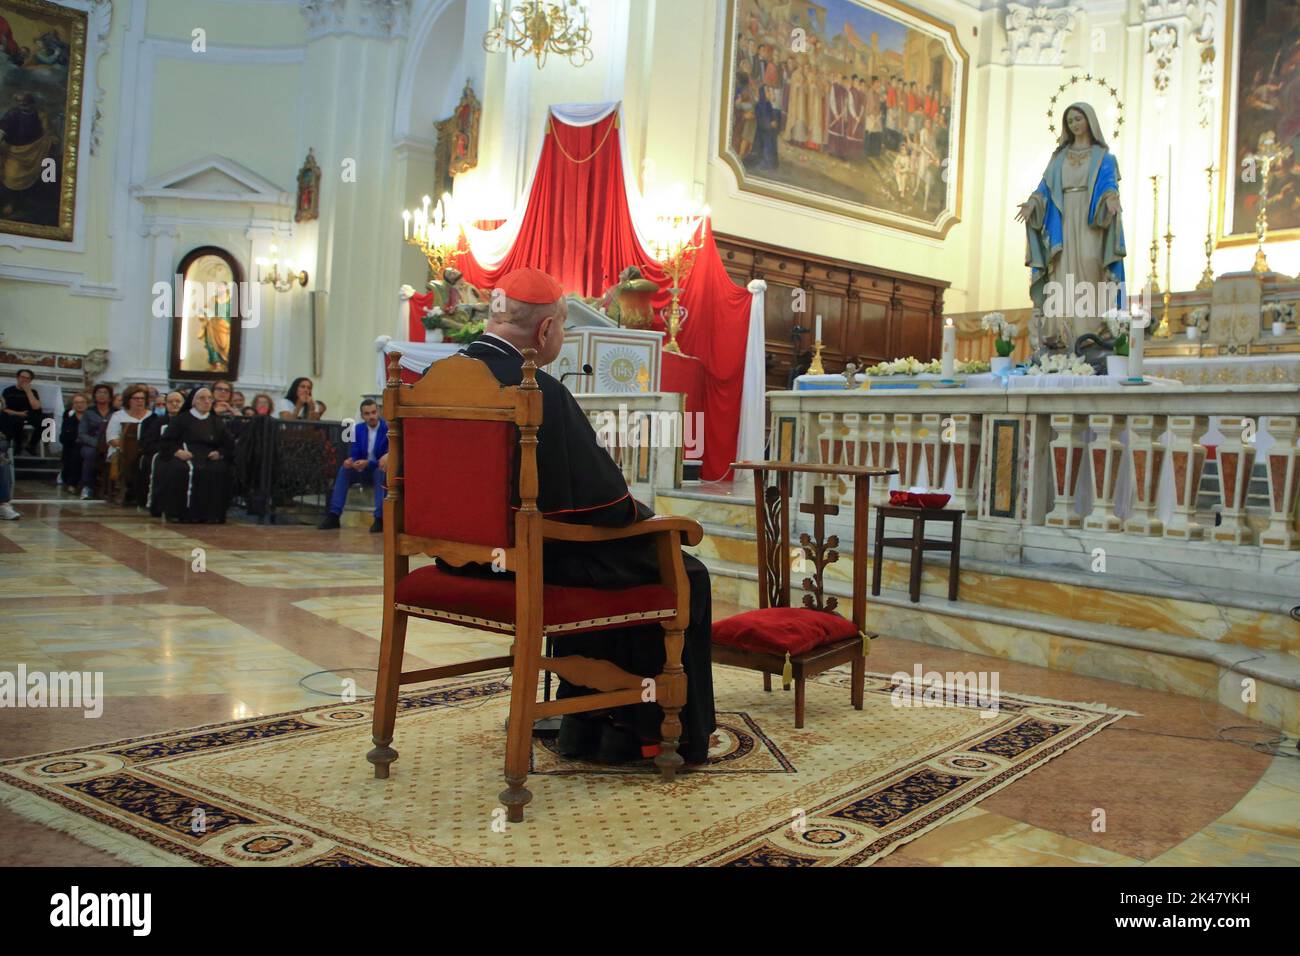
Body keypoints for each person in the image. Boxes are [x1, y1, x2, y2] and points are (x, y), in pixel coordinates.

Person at [450, 267, 716, 765]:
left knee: (611, 556)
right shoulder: (538, 391)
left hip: (459, 561)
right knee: (677, 569)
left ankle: (585, 722)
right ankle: (645, 730)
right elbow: (607, 506)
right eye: (564, 327)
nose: (562, 336)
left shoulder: (431, 381)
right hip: (527, 563)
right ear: (547, 331)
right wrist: (645, 516)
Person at [1017, 101, 1126, 345]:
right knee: (1062, 272)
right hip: (1062, 222)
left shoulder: (1104, 157)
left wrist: (1111, 199)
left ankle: (1092, 332)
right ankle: (1062, 332)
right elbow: (1045, 187)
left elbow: (1109, 183)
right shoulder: (1059, 157)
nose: (1075, 124)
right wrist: (1033, 203)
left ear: (1089, 120)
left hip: (1090, 220)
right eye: (1070, 121)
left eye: (1078, 119)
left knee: (1090, 265)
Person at [155, 387, 235, 523]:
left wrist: (220, 453)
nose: (207, 401)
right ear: (193, 401)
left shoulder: (216, 422)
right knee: (180, 469)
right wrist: (178, 452)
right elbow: (166, 442)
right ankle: (181, 513)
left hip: (209, 457)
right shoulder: (181, 419)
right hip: (186, 455)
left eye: (210, 398)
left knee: (220, 469)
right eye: (202, 398)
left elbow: (228, 444)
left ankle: (212, 515)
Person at [318, 399, 387, 533]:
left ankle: (379, 518)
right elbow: (354, 451)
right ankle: (334, 515)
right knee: (345, 469)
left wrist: (369, 463)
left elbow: (386, 456)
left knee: (380, 472)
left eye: (373, 412)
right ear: (362, 416)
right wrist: (351, 461)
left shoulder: (387, 429)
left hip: (377, 468)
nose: (371, 416)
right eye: (367, 414)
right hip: (361, 468)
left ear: (378, 412)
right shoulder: (357, 429)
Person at [140, 390, 183, 515]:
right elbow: (147, 443)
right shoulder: (158, 422)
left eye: (178, 401)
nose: (174, 404)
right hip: (161, 454)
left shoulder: (187, 421)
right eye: (170, 402)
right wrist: (168, 450)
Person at [77, 384, 113, 500]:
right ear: (94, 396)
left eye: (105, 392)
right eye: (99, 392)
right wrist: (97, 444)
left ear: (110, 396)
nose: (102, 395)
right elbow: (82, 433)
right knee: (90, 454)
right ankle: (87, 487)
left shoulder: (116, 412)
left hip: (111, 443)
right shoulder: (88, 413)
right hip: (92, 444)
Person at [1, 368, 49, 455]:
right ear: (17, 377)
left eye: (27, 378)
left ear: (30, 380)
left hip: (30, 415)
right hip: (13, 414)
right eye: (22, 377)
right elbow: (4, 408)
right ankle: (18, 445)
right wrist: (19, 413)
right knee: (16, 421)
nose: (24, 380)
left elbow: (36, 407)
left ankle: (31, 445)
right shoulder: (8, 391)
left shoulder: (33, 392)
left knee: (47, 421)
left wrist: (28, 392)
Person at [58, 392, 87, 490]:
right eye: (76, 402)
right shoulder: (68, 419)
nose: (79, 405)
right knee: (74, 452)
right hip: (72, 446)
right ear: (73, 405)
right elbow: (63, 437)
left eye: (82, 402)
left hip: (88, 445)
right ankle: (71, 482)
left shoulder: (90, 419)